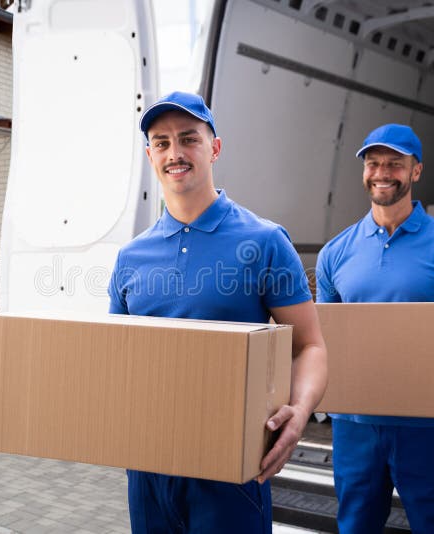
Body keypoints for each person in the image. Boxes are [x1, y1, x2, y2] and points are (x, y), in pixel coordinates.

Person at [108, 91, 328, 533]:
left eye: (189, 138)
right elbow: (117, 359)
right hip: (148, 468)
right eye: (162, 142)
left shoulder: (265, 242)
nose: (175, 153)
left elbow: (310, 346)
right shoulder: (131, 257)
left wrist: (300, 412)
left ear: (215, 148)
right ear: (150, 154)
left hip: (231, 468)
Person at [315, 123, 434, 533]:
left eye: (395, 164)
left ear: (416, 171)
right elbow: (322, 340)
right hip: (355, 426)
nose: (382, 172)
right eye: (373, 163)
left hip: (429, 426)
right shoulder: (335, 253)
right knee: (355, 526)